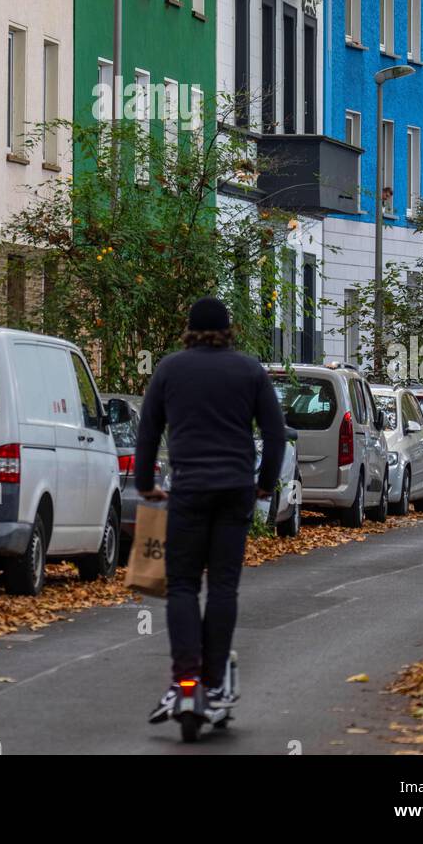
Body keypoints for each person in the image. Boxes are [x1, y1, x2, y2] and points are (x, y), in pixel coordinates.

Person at [134, 296, 286, 723]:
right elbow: (275, 436)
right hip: (236, 490)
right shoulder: (249, 371)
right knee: (223, 586)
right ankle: (215, 682)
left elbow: (148, 432)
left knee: (182, 585)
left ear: (189, 328)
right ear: (228, 329)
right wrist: (264, 484)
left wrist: (146, 485)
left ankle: (185, 681)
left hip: (189, 491)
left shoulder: (169, 369)